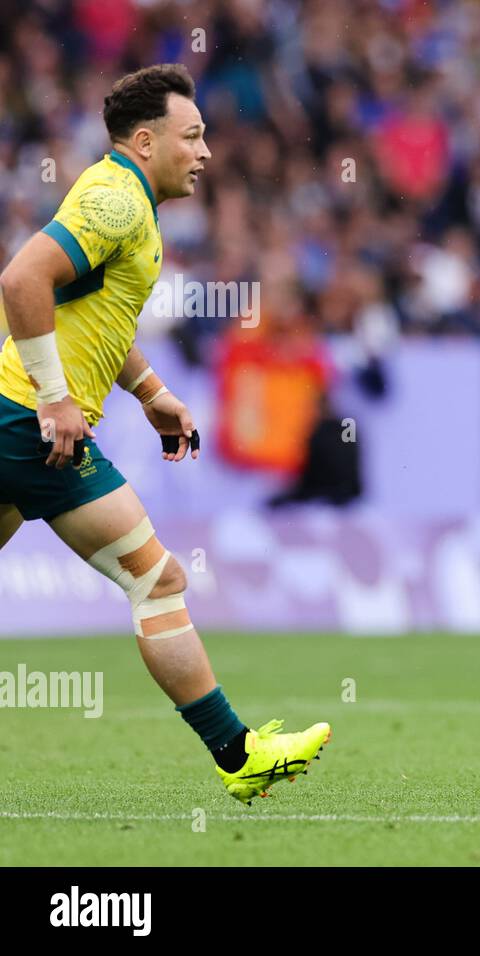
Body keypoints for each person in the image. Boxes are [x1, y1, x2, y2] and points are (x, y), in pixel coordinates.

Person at [0, 65, 330, 804]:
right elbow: (22, 280)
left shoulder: (126, 202)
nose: (206, 151)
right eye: (193, 135)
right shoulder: (118, 202)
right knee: (158, 579)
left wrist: (151, 393)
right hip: (30, 424)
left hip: (16, 417)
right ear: (145, 142)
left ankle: (239, 754)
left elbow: (96, 317)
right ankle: (240, 755)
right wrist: (55, 402)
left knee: (156, 580)